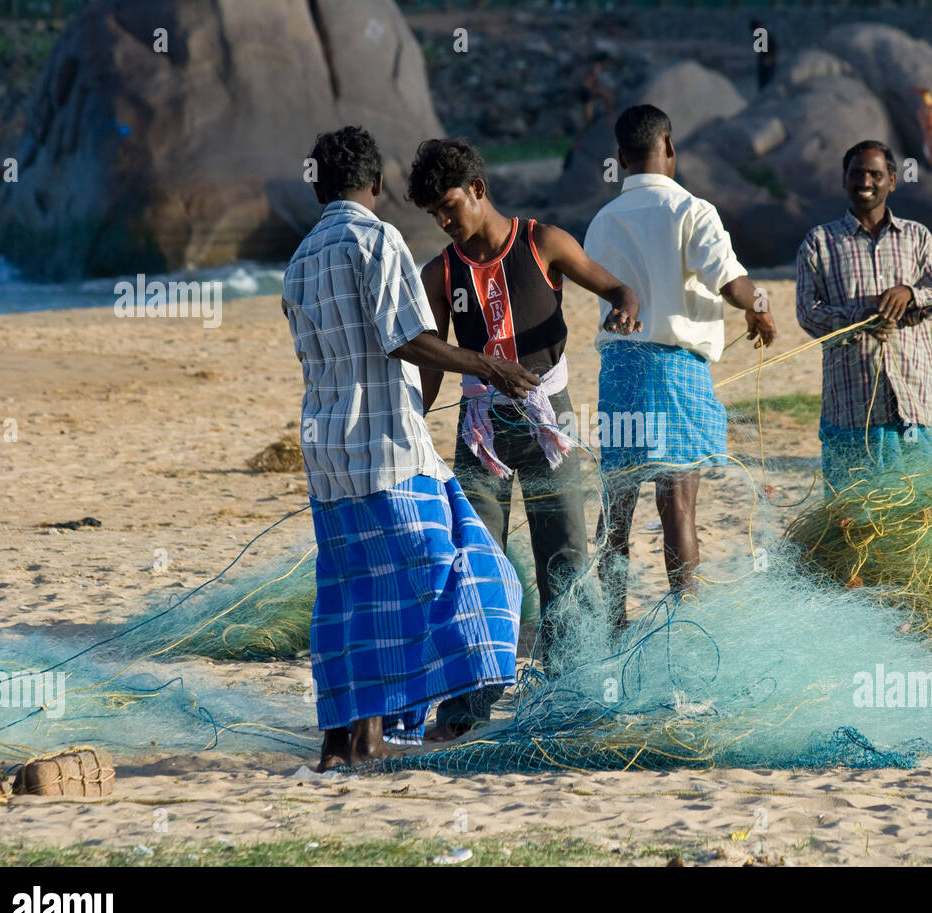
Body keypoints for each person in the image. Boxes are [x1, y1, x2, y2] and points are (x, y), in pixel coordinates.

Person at [282, 126, 539, 769]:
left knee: (352, 598)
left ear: (319, 188)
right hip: (389, 452)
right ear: (374, 187)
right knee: (464, 574)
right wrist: (488, 365)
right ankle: (385, 731)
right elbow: (406, 339)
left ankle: (344, 742)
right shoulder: (376, 239)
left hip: (329, 459)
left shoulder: (300, 259)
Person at [407, 137, 639, 686]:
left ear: (479, 190)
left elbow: (617, 289)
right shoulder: (441, 273)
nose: (443, 220)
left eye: (450, 206)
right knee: (477, 560)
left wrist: (626, 311)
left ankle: (566, 686)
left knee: (564, 558)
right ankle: (476, 693)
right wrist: (414, 414)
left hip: (549, 422)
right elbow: (429, 354)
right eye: (434, 213)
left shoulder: (544, 242)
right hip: (479, 431)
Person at [583, 104, 776, 629]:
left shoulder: (602, 221)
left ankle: (613, 625)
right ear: (669, 147)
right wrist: (760, 308)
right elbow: (732, 283)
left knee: (617, 508)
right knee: (678, 507)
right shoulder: (691, 210)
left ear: (620, 158)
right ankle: (683, 621)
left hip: (618, 369)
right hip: (674, 370)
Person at [795, 139, 932, 490]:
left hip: (911, 404)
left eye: (875, 174)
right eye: (857, 174)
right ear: (844, 180)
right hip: (850, 408)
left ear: (892, 181)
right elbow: (807, 313)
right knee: (850, 517)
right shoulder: (819, 242)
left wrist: (910, 295)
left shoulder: (917, 237)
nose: (865, 182)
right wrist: (859, 317)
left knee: (924, 509)